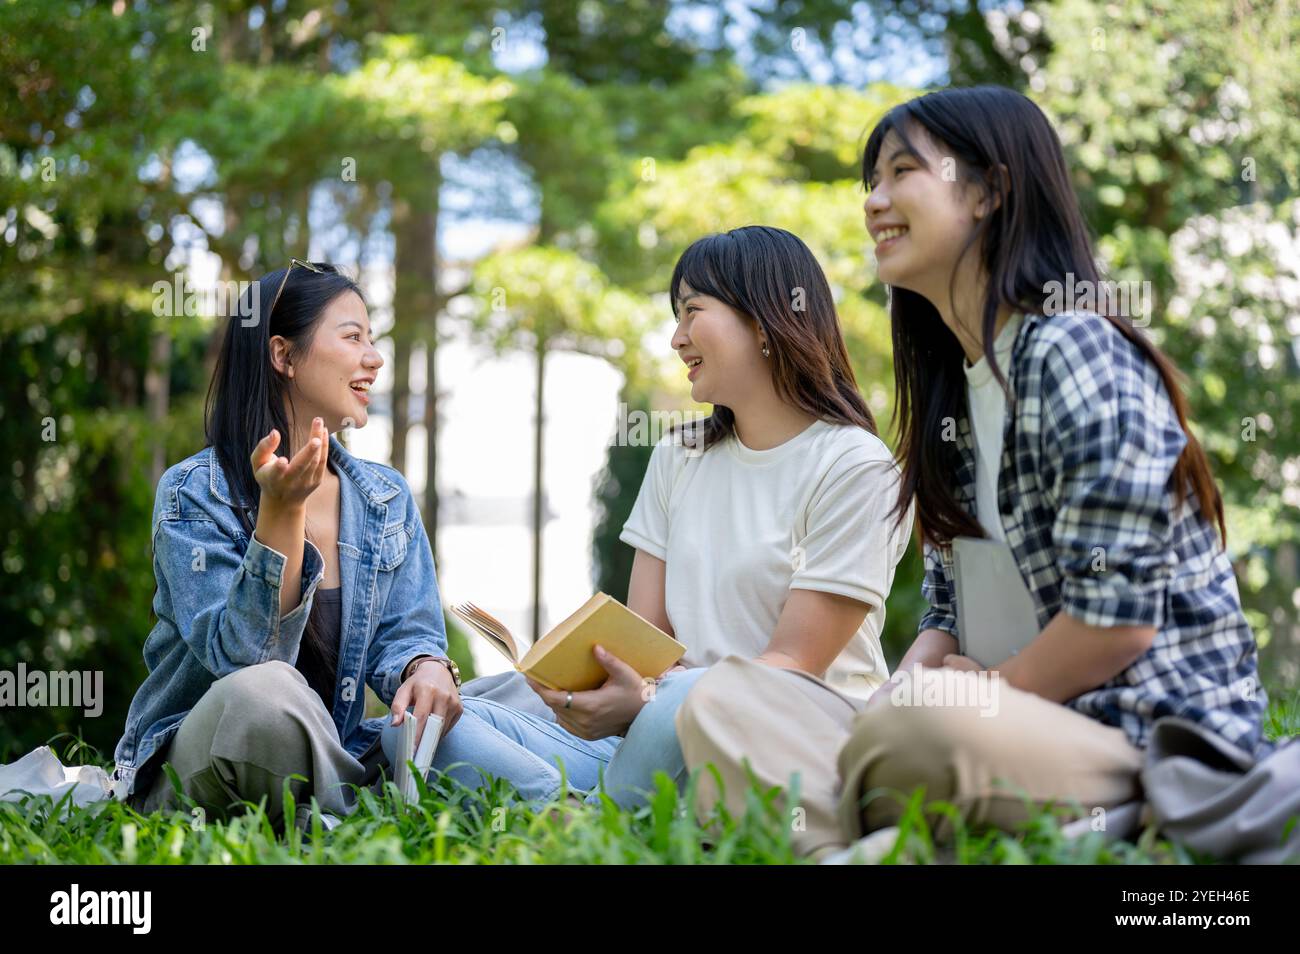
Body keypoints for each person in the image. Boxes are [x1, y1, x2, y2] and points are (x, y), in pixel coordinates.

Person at [676, 86, 1271, 859]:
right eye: (871, 184)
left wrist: (962, 697)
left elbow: (1115, 623)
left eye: (901, 172)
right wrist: (899, 691)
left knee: (920, 733)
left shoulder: (1072, 352)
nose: (875, 202)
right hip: (980, 728)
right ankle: (863, 846)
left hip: (1137, 742)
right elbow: (946, 615)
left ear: (990, 190)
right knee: (727, 700)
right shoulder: (952, 393)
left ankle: (873, 831)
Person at [113, 260, 601, 829]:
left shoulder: (383, 496)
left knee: (469, 704)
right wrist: (282, 510)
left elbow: (409, 635)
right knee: (265, 696)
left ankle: (580, 812)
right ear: (284, 356)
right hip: (207, 757)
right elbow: (243, 661)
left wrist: (427, 669)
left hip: (340, 749)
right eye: (353, 338)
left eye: (373, 340)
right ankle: (366, 808)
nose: (374, 358)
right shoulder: (194, 493)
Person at [445, 225, 914, 811]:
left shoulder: (853, 466)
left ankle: (592, 812)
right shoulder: (679, 455)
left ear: (766, 321)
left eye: (693, 311)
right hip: (657, 730)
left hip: (781, 744)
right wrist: (608, 690)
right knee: (448, 718)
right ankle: (578, 812)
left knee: (689, 694)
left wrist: (649, 703)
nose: (676, 338)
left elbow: (789, 671)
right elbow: (647, 640)